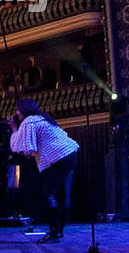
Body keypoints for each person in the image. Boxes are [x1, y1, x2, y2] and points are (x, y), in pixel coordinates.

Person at [8, 98, 79, 243]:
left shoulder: (29, 121)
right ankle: (58, 232)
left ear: (23, 111)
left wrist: (14, 129)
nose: (16, 112)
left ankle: (55, 233)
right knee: (64, 196)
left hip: (60, 158)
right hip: (71, 154)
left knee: (48, 194)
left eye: (18, 109)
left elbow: (27, 150)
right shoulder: (43, 117)